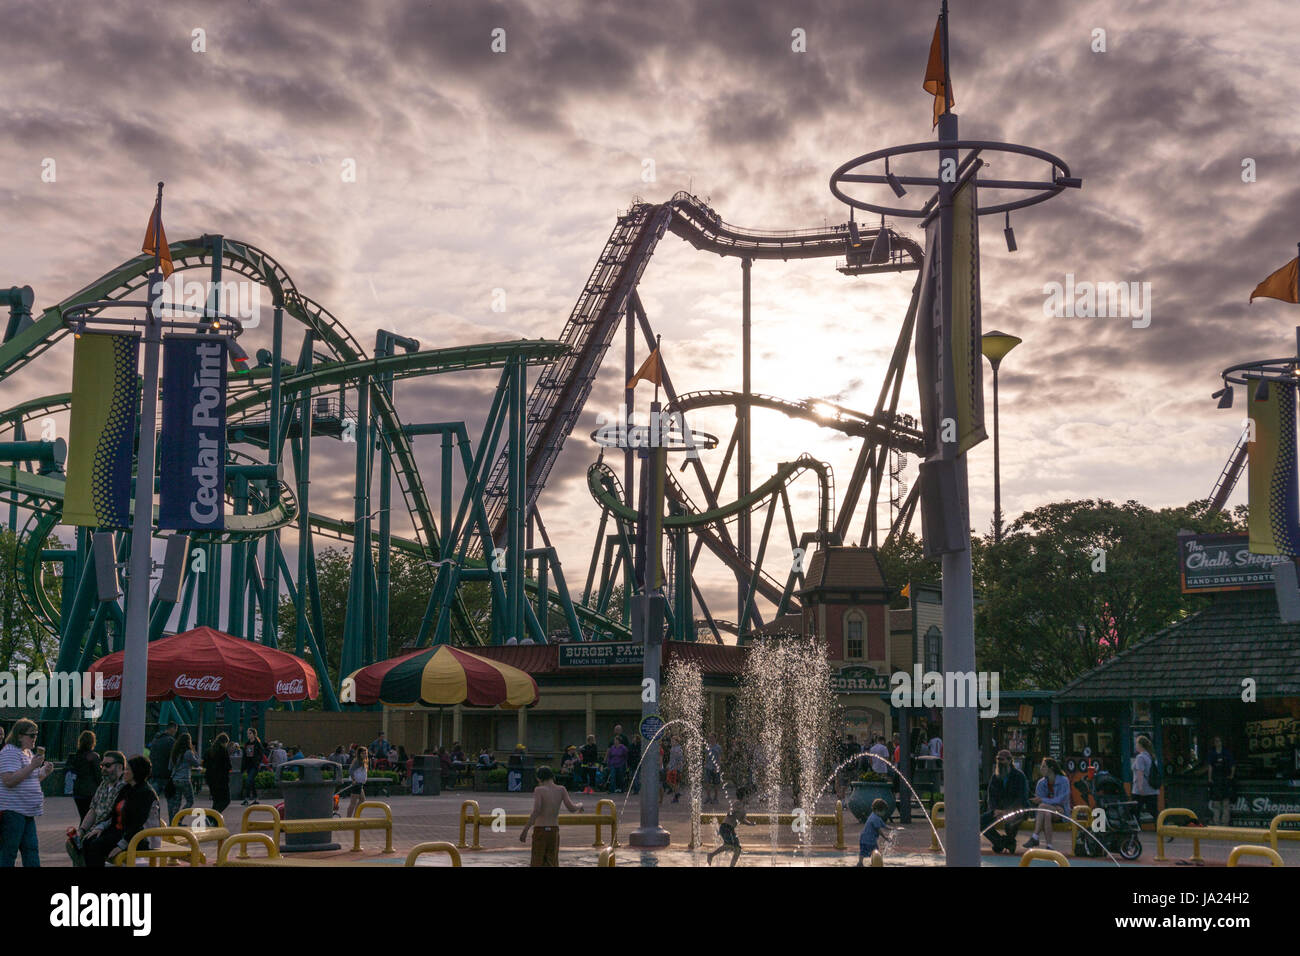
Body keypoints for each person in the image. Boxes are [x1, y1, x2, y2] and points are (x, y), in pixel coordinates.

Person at [82, 754, 159, 868]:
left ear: (136, 772)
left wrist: (121, 846)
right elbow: (113, 814)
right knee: (87, 841)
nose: (124, 772)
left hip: (140, 837)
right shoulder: (127, 789)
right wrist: (101, 827)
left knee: (97, 846)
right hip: (121, 832)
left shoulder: (145, 793)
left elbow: (137, 824)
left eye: (127, 769)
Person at [0, 719, 53, 866]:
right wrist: (32, 766)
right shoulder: (10, 752)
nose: (35, 737)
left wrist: (43, 772)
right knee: (8, 852)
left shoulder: (27, 753)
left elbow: (29, 780)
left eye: (36, 734)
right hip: (13, 811)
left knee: (31, 850)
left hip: (27, 811)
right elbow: (9, 780)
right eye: (31, 735)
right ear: (19, 736)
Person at [69, 750, 126, 865]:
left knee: (90, 844)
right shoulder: (103, 785)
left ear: (120, 767)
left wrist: (99, 828)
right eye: (102, 765)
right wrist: (81, 830)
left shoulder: (124, 787)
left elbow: (118, 817)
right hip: (95, 829)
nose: (103, 769)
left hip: (110, 831)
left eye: (108, 765)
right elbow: (93, 810)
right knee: (72, 842)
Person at [520, 765, 582, 867]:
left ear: (539, 778)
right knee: (552, 861)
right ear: (552, 776)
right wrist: (580, 805)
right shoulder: (561, 789)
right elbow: (571, 808)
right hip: (554, 830)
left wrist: (525, 830)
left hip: (540, 830)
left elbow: (536, 811)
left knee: (537, 861)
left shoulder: (539, 790)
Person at [981, 749, 1029, 853]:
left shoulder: (1019, 776)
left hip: (1017, 810)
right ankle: (1002, 842)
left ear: (1009, 760)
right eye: (998, 759)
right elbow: (991, 797)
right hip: (999, 810)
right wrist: (994, 811)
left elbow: (1021, 798)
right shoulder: (995, 777)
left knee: (1010, 824)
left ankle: (1005, 842)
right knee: (979, 822)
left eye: (1002, 760)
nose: (999, 762)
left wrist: (1007, 810)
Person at [1024, 757, 1070, 851]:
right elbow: (1041, 800)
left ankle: (1035, 837)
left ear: (1051, 768)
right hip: (1050, 811)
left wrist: (1044, 801)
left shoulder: (1064, 781)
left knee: (1042, 806)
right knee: (1046, 813)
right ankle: (1049, 846)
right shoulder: (1041, 783)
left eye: (1044, 767)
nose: (1041, 769)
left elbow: (1062, 799)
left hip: (1061, 812)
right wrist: (1050, 804)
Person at [707, 787, 754, 867]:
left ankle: (728, 864)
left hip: (730, 829)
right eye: (747, 796)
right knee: (731, 846)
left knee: (737, 849)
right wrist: (731, 812)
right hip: (726, 827)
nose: (749, 798)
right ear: (743, 797)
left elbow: (742, 820)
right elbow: (730, 811)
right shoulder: (737, 803)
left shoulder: (743, 808)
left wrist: (750, 824)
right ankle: (711, 855)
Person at [67, 730, 103, 821]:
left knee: (83, 817)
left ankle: (81, 834)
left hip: (78, 791)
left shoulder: (75, 756)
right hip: (91, 791)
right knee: (90, 818)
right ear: (92, 742)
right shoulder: (93, 756)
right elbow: (98, 775)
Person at [167, 732, 201, 824]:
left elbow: (170, 767)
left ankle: (174, 821)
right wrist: (195, 751)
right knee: (190, 801)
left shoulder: (174, 752)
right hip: (185, 780)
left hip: (175, 780)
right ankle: (179, 819)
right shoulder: (188, 753)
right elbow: (197, 763)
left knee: (177, 803)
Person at [1206, 736, 1236, 826]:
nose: (1217, 743)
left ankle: (1225, 823)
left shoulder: (1226, 753)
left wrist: (1231, 776)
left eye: (1219, 741)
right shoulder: (1212, 753)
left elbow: (1233, 765)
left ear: (1222, 742)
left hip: (1225, 780)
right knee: (1216, 804)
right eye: (1216, 741)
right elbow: (1210, 766)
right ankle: (1216, 823)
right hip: (1216, 780)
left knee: (1226, 803)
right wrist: (1210, 778)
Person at [1131, 735, 1159, 822]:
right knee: (1154, 812)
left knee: (1135, 812)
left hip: (1140, 791)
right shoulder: (1151, 756)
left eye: (1136, 743)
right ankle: (1161, 829)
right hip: (1152, 789)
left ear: (1140, 745)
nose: (1135, 746)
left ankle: (1136, 833)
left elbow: (1140, 773)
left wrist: (1140, 788)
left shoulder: (1140, 757)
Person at [857, 797, 893, 865]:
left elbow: (884, 825)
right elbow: (878, 830)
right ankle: (875, 863)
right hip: (869, 839)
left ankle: (860, 863)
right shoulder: (875, 818)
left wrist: (892, 828)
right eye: (883, 811)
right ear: (877, 810)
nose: (884, 813)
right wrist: (885, 838)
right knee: (875, 851)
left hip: (864, 837)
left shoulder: (874, 816)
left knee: (863, 851)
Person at [148, 721, 177, 795]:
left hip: (154, 773)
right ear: (173, 729)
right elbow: (173, 758)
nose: (176, 732)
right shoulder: (171, 741)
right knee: (172, 801)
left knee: (152, 798)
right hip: (165, 774)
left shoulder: (156, 739)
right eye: (176, 729)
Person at [206, 734, 232, 813]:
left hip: (211, 780)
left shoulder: (210, 750)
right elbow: (228, 766)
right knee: (226, 800)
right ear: (225, 742)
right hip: (221, 780)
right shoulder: (223, 751)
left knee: (216, 801)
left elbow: (205, 764)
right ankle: (211, 818)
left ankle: (213, 820)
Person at [240, 728, 267, 805]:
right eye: (248, 733)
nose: (248, 735)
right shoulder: (247, 744)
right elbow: (244, 756)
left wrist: (257, 762)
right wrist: (243, 767)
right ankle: (255, 799)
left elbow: (261, 754)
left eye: (250, 733)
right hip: (248, 765)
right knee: (251, 782)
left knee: (249, 780)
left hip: (254, 766)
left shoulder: (257, 744)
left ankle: (247, 799)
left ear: (254, 734)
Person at [345, 746, 369, 818]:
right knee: (353, 802)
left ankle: (356, 816)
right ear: (359, 754)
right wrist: (353, 780)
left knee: (362, 799)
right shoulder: (357, 761)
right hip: (356, 784)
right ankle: (348, 818)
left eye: (365, 753)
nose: (365, 755)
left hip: (360, 784)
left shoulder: (363, 762)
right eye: (363, 753)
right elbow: (351, 771)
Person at [705, 735, 722, 805]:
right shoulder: (708, 747)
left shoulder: (718, 747)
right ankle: (708, 797)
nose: (711, 739)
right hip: (708, 767)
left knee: (716, 784)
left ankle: (715, 798)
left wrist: (718, 766)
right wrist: (705, 764)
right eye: (710, 738)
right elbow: (706, 756)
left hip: (715, 767)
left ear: (715, 738)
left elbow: (720, 757)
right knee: (707, 783)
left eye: (712, 738)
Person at [666, 738, 684, 803]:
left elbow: (680, 759)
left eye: (673, 741)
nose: (671, 742)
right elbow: (672, 759)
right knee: (669, 781)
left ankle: (676, 796)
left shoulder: (678, 749)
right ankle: (677, 793)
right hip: (672, 767)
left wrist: (678, 768)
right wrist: (669, 765)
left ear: (677, 742)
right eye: (671, 741)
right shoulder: (672, 748)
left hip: (676, 768)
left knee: (674, 782)